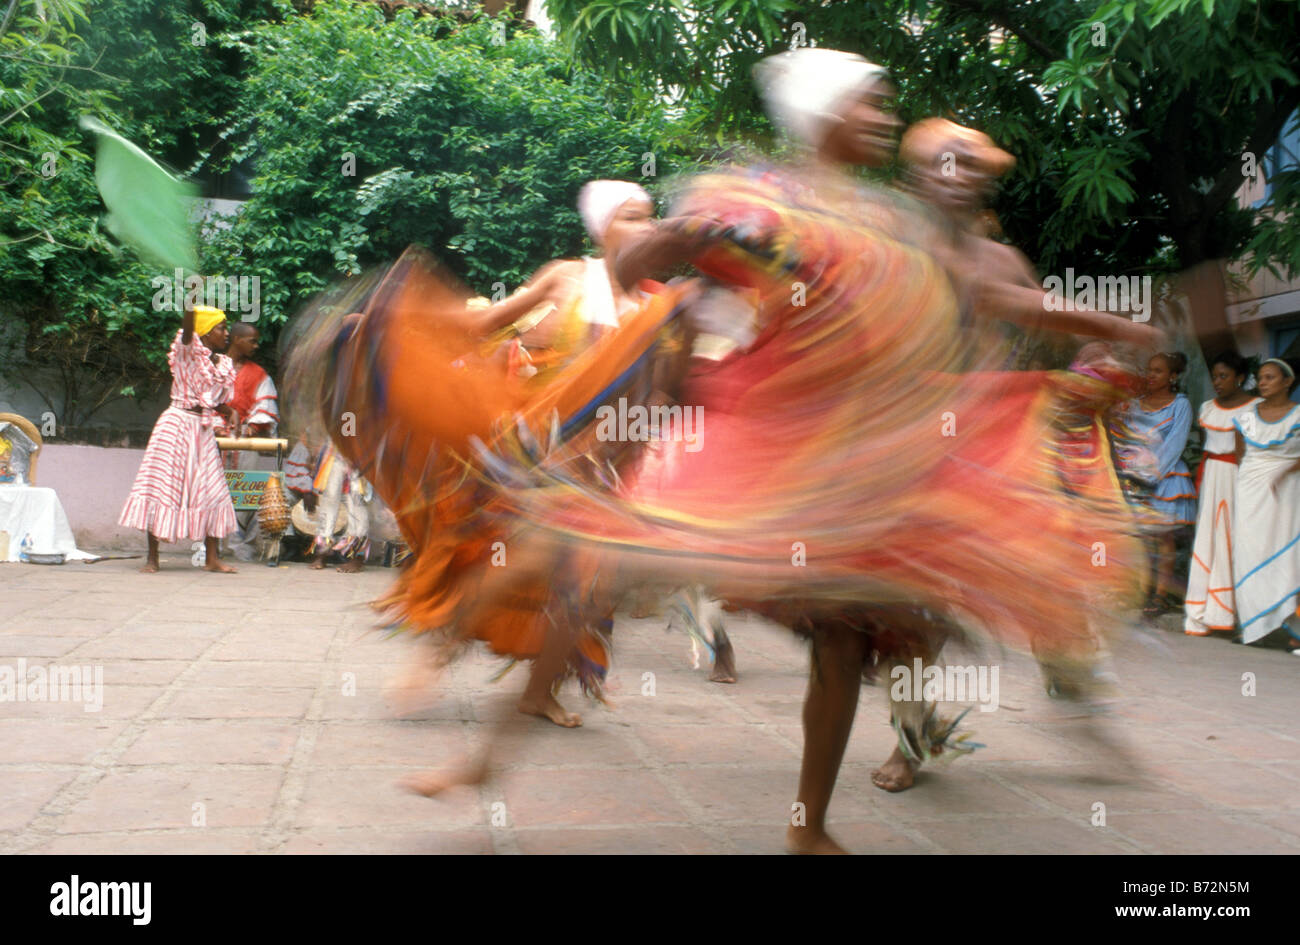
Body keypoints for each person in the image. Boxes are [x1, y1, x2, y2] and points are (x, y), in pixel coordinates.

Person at [119, 304, 238, 573]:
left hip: (202, 430)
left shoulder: (221, 364)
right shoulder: (186, 353)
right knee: (162, 488)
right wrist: (191, 302)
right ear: (206, 332)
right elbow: (187, 331)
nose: (226, 332)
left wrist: (228, 410)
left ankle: (212, 559)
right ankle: (152, 558)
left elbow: (210, 400)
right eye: (221, 327)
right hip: (176, 425)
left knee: (213, 490)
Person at [1184, 351, 1260, 635]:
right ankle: (1203, 611)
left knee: (1237, 538)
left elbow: (1253, 449)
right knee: (1208, 538)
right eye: (1215, 376)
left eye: (1224, 376)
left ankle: (1234, 613)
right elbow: (1206, 447)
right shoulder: (1207, 408)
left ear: (1240, 378)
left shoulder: (1255, 407)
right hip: (1213, 474)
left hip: (1240, 475)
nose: (1217, 382)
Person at [1232, 357, 1300, 650]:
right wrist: (1255, 481)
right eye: (1260, 377)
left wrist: (1283, 471)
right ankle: (1255, 625)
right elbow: (1240, 454)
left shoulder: (1298, 415)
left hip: (1286, 491)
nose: (1262, 382)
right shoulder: (1247, 416)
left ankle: (1289, 627)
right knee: (1249, 552)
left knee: (1286, 554)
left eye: (1270, 377)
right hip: (1250, 491)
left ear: (1287, 382)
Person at [1122, 352, 1196, 616]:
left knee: (1164, 538)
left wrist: (1150, 476)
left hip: (1166, 478)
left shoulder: (1180, 405)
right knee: (1141, 539)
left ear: (1173, 376)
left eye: (1158, 371)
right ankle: (1141, 593)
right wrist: (1130, 473)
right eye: (1149, 370)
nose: (1150, 375)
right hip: (1136, 476)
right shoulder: (1134, 405)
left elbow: (1175, 444)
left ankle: (1161, 595)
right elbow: (1126, 441)